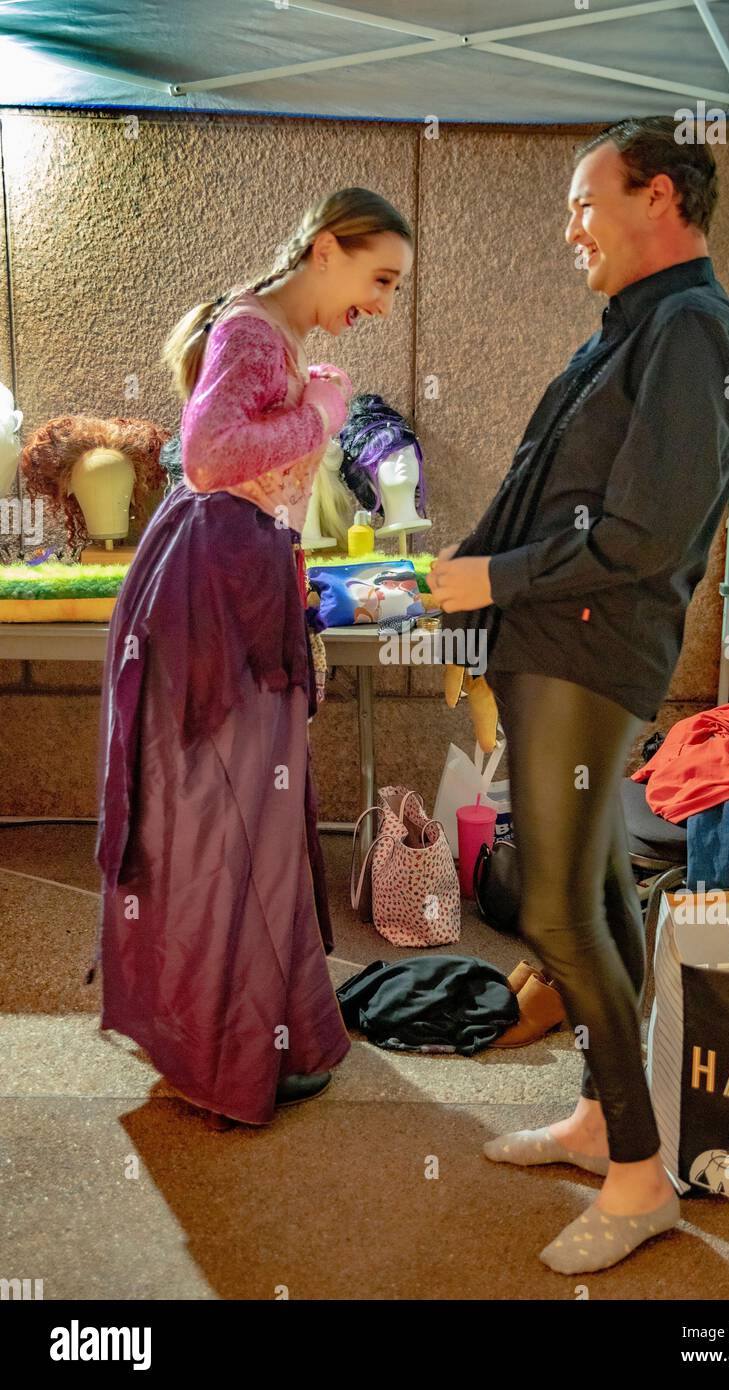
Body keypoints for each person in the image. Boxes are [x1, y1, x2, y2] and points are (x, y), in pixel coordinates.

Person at [428, 117, 729, 1272]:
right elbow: (539, 491)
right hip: (546, 642)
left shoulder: (691, 331)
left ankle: (636, 1175)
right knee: (598, 887)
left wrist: (489, 578)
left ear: (658, 197)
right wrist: (452, 577)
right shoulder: (629, 330)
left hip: (589, 649)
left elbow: (639, 532)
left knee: (556, 909)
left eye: (584, 200)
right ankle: (595, 1117)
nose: (568, 224)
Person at [91, 187, 414, 1128]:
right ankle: (222, 1053)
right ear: (326, 249)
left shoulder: (269, 330)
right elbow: (204, 454)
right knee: (226, 820)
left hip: (230, 576)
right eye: (379, 278)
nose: (384, 305)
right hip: (212, 586)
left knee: (239, 818)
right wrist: (318, 416)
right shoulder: (260, 332)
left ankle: (247, 1039)